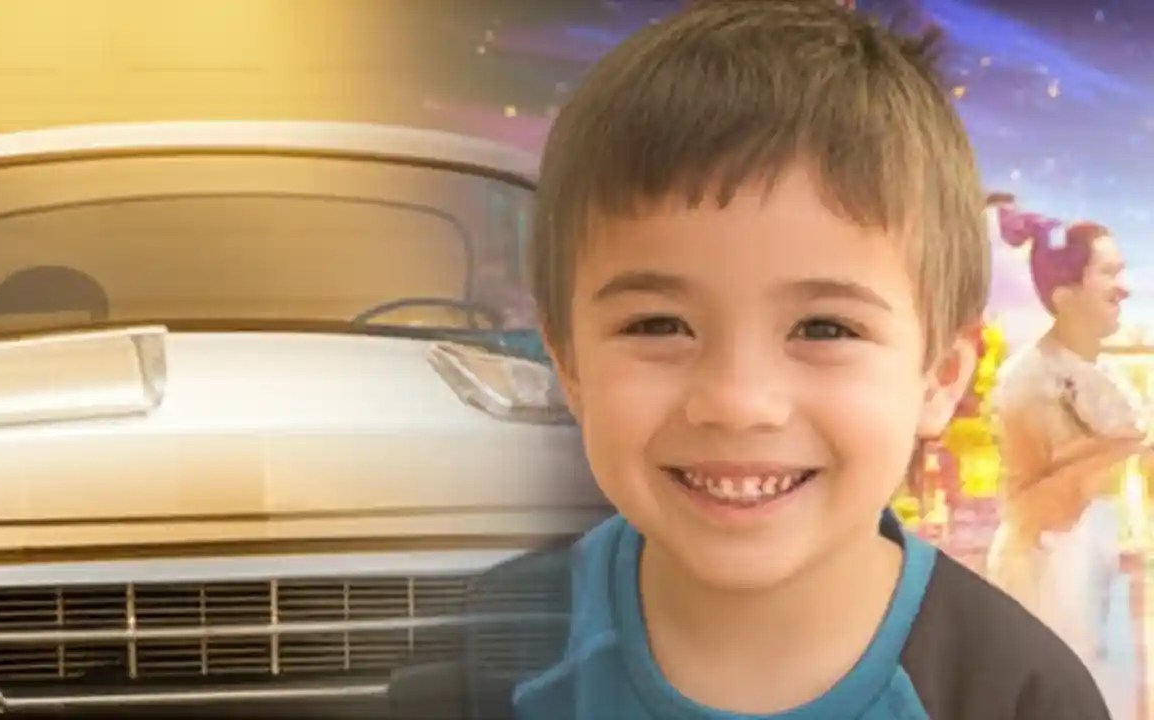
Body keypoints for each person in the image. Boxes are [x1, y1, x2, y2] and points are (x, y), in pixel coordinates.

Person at [482, 1, 1110, 718]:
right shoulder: (489, 654)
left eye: (823, 328)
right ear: (568, 363)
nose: (737, 401)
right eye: (659, 324)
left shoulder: (1019, 695)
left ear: (939, 376)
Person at [986, 198, 1146, 719]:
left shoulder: (1110, 379)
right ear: (1065, 294)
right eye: (1109, 273)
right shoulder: (1028, 381)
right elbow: (1045, 502)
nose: (1124, 288)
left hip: (1096, 565)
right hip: (1047, 569)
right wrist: (1118, 448)